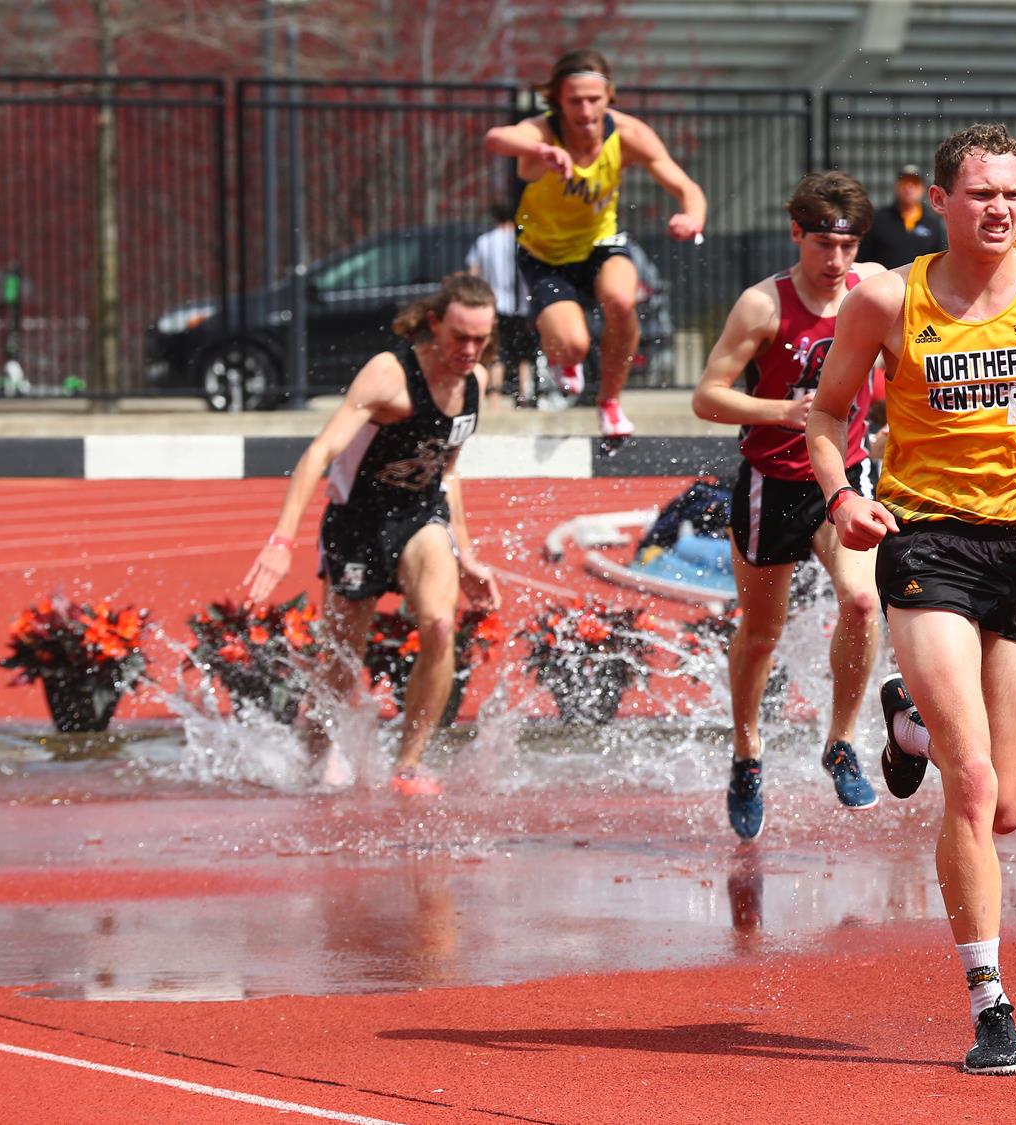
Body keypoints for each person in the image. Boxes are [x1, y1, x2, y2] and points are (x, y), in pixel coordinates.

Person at [805, 123, 1016, 1076]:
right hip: (926, 543)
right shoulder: (886, 296)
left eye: (1013, 195)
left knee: (1011, 809)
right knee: (974, 779)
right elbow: (827, 412)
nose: (1000, 209)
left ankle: (904, 722)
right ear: (939, 201)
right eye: (981, 193)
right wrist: (841, 495)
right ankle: (992, 1005)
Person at [242, 273, 503, 795]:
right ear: (434, 323)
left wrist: (467, 555)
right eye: (460, 337)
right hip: (358, 521)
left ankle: (407, 765)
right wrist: (280, 541)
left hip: (420, 517)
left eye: (481, 339)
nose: (470, 350)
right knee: (341, 661)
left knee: (438, 626)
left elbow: (446, 474)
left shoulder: (471, 384)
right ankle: (314, 754)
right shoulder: (390, 373)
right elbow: (320, 453)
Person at [689, 171, 886, 839]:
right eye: (823, 245)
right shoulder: (762, 306)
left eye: (849, 246)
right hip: (772, 481)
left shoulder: (873, 289)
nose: (836, 262)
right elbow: (707, 395)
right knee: (763, 632)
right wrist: (783, 410)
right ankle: (747, 753)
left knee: (862, 600)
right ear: (796, 234)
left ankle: (841, 740)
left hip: (846, 475)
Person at [484, 49, 707, 440]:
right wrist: (539, 151)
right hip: (544, 255)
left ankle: (610, 401)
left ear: (609, 97)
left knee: (622, 301)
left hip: (601, 242)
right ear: (557, 99)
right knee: (574, 345)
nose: (585, 111)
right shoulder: (542, 131)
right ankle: (563, 357)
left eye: (594, 100)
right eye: (574, 101)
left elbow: (686, 187)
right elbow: (497, 138)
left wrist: (692, 216)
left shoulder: (628, 134)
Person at [466, 203, 536, 407]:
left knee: (497, 352)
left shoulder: (484, 241)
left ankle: (493, 397)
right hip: (522, 304)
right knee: (523, 353)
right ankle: (523, 395)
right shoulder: (523, 241)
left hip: (494, 304)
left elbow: (474, 273)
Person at [861, 163, 947, 268]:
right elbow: (863, 259)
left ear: (922, 188)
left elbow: (938, 261)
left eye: (914, 183)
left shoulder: (932, 223)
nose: (909, 188)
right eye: (905, 182)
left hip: (919, 284)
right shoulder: (878, 220)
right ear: (896, 186)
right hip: (885, 282)